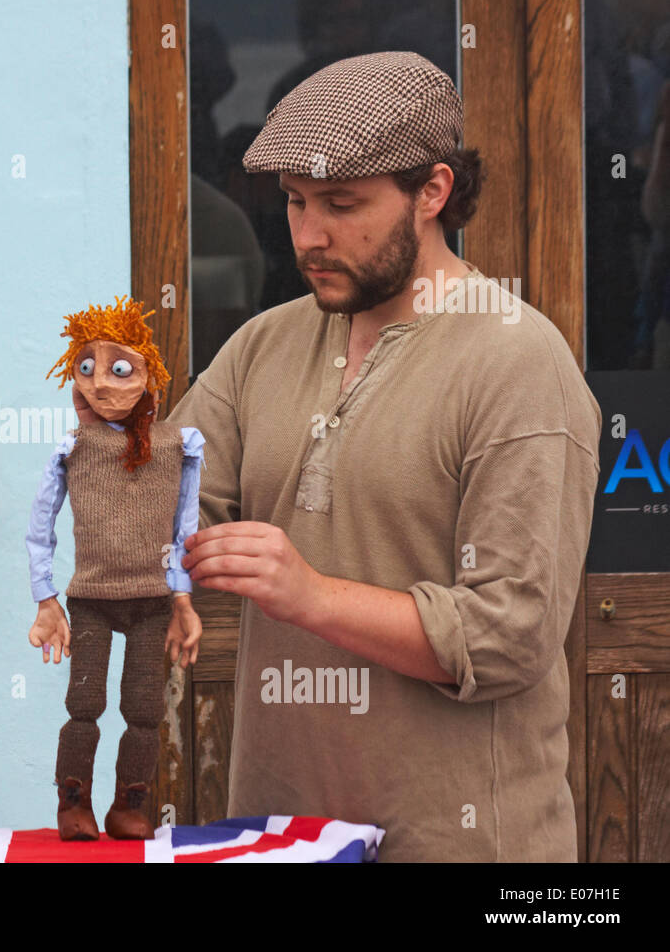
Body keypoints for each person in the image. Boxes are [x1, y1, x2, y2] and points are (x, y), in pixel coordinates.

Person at [168, 52, 601, 861]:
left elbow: (509, 636)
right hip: (280, 841)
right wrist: (101, 449)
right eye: (295, 204)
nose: (308, 236)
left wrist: (310, 595)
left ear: (433, 191)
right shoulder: (264, 345)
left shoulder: (518, 361)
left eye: (341, 204)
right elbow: (165, 511)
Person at [26, 298, 204, 840]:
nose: (101, 383)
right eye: (87, 368)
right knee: (83, 703)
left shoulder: (179, 444)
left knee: (145, 709)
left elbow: (185, 529)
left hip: (152, 602)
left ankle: (130, 804)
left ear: (149, 374)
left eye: (119, 368)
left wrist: (182, 597)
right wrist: (46, 596)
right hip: (92, 601)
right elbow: (40, 523)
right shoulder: (74, 446)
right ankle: (73, 803)